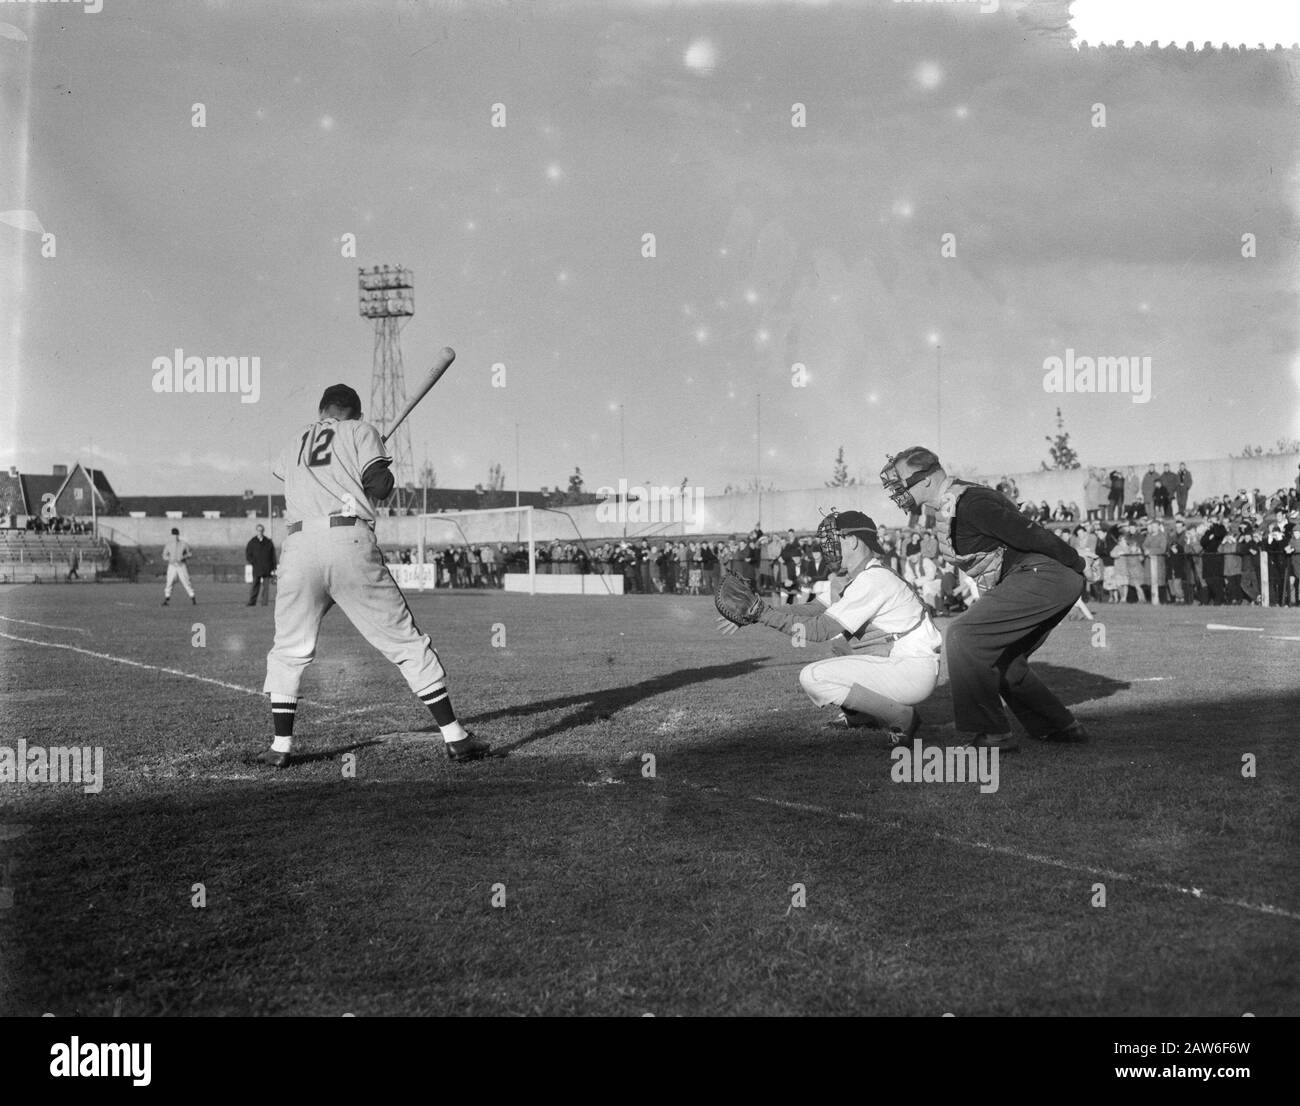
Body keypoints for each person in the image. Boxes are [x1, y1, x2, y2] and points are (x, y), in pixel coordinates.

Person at [257, 383, 492, 768]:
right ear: (357, 412)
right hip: (347, 540)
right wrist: (375, 457)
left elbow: (300, 472)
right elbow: (379, 487)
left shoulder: (295, 439)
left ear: (322, 411)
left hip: (298, 546)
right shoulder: (360, 430)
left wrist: (352, 459)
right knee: (404, 641)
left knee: (288, 648)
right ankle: (455, 737)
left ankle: (280, 747)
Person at [881, 446, 1090, 752]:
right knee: (1004, 660)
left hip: (1046, 574)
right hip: (1044, 576)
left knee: (964, 636)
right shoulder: (953, 503)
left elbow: (1028, 532)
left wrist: (1077, 563)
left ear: (925, 480)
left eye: (901, 482)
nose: (897, 491)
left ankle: (993, 735)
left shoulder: (970, 502)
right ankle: (1062, 727)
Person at [716, 511, 938, 744]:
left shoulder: (872, 579)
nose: (828, 546)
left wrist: (761, 613)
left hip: (910, 670)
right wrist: (759, 613)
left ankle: (902, 717)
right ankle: (859, 717)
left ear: (852, 541)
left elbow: (819, 629)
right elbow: (812, 609)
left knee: (813, 676)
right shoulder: (858, 575)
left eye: (835, 539)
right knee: (840, 646)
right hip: (905, 663)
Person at [161, 527, 197, 606]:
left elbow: (190, 553)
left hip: (181, 565)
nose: (175, 536)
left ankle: (193, 598)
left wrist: (183, 557)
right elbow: (164, 555)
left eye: (176, 534)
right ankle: (167, 599)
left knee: (186, 581)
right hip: (172, 565)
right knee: (169, 581)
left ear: (178, 535)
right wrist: (170, 559)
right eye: (174, 535)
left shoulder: (184, 544)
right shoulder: (168, 544)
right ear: (171, 535)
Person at [245, 524, 277, 606]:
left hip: (267, 568)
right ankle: (252, 602)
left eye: (261, 530)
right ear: (257, 531)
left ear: (263, 531)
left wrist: (274, 567)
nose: (260, 532)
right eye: (259, 530)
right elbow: (248, 554)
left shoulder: (268, 542)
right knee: (255, 586)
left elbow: (272, 555)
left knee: (266, 588)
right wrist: (253, 562)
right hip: (257, 568)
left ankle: (264, 603)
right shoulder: (252, 542)